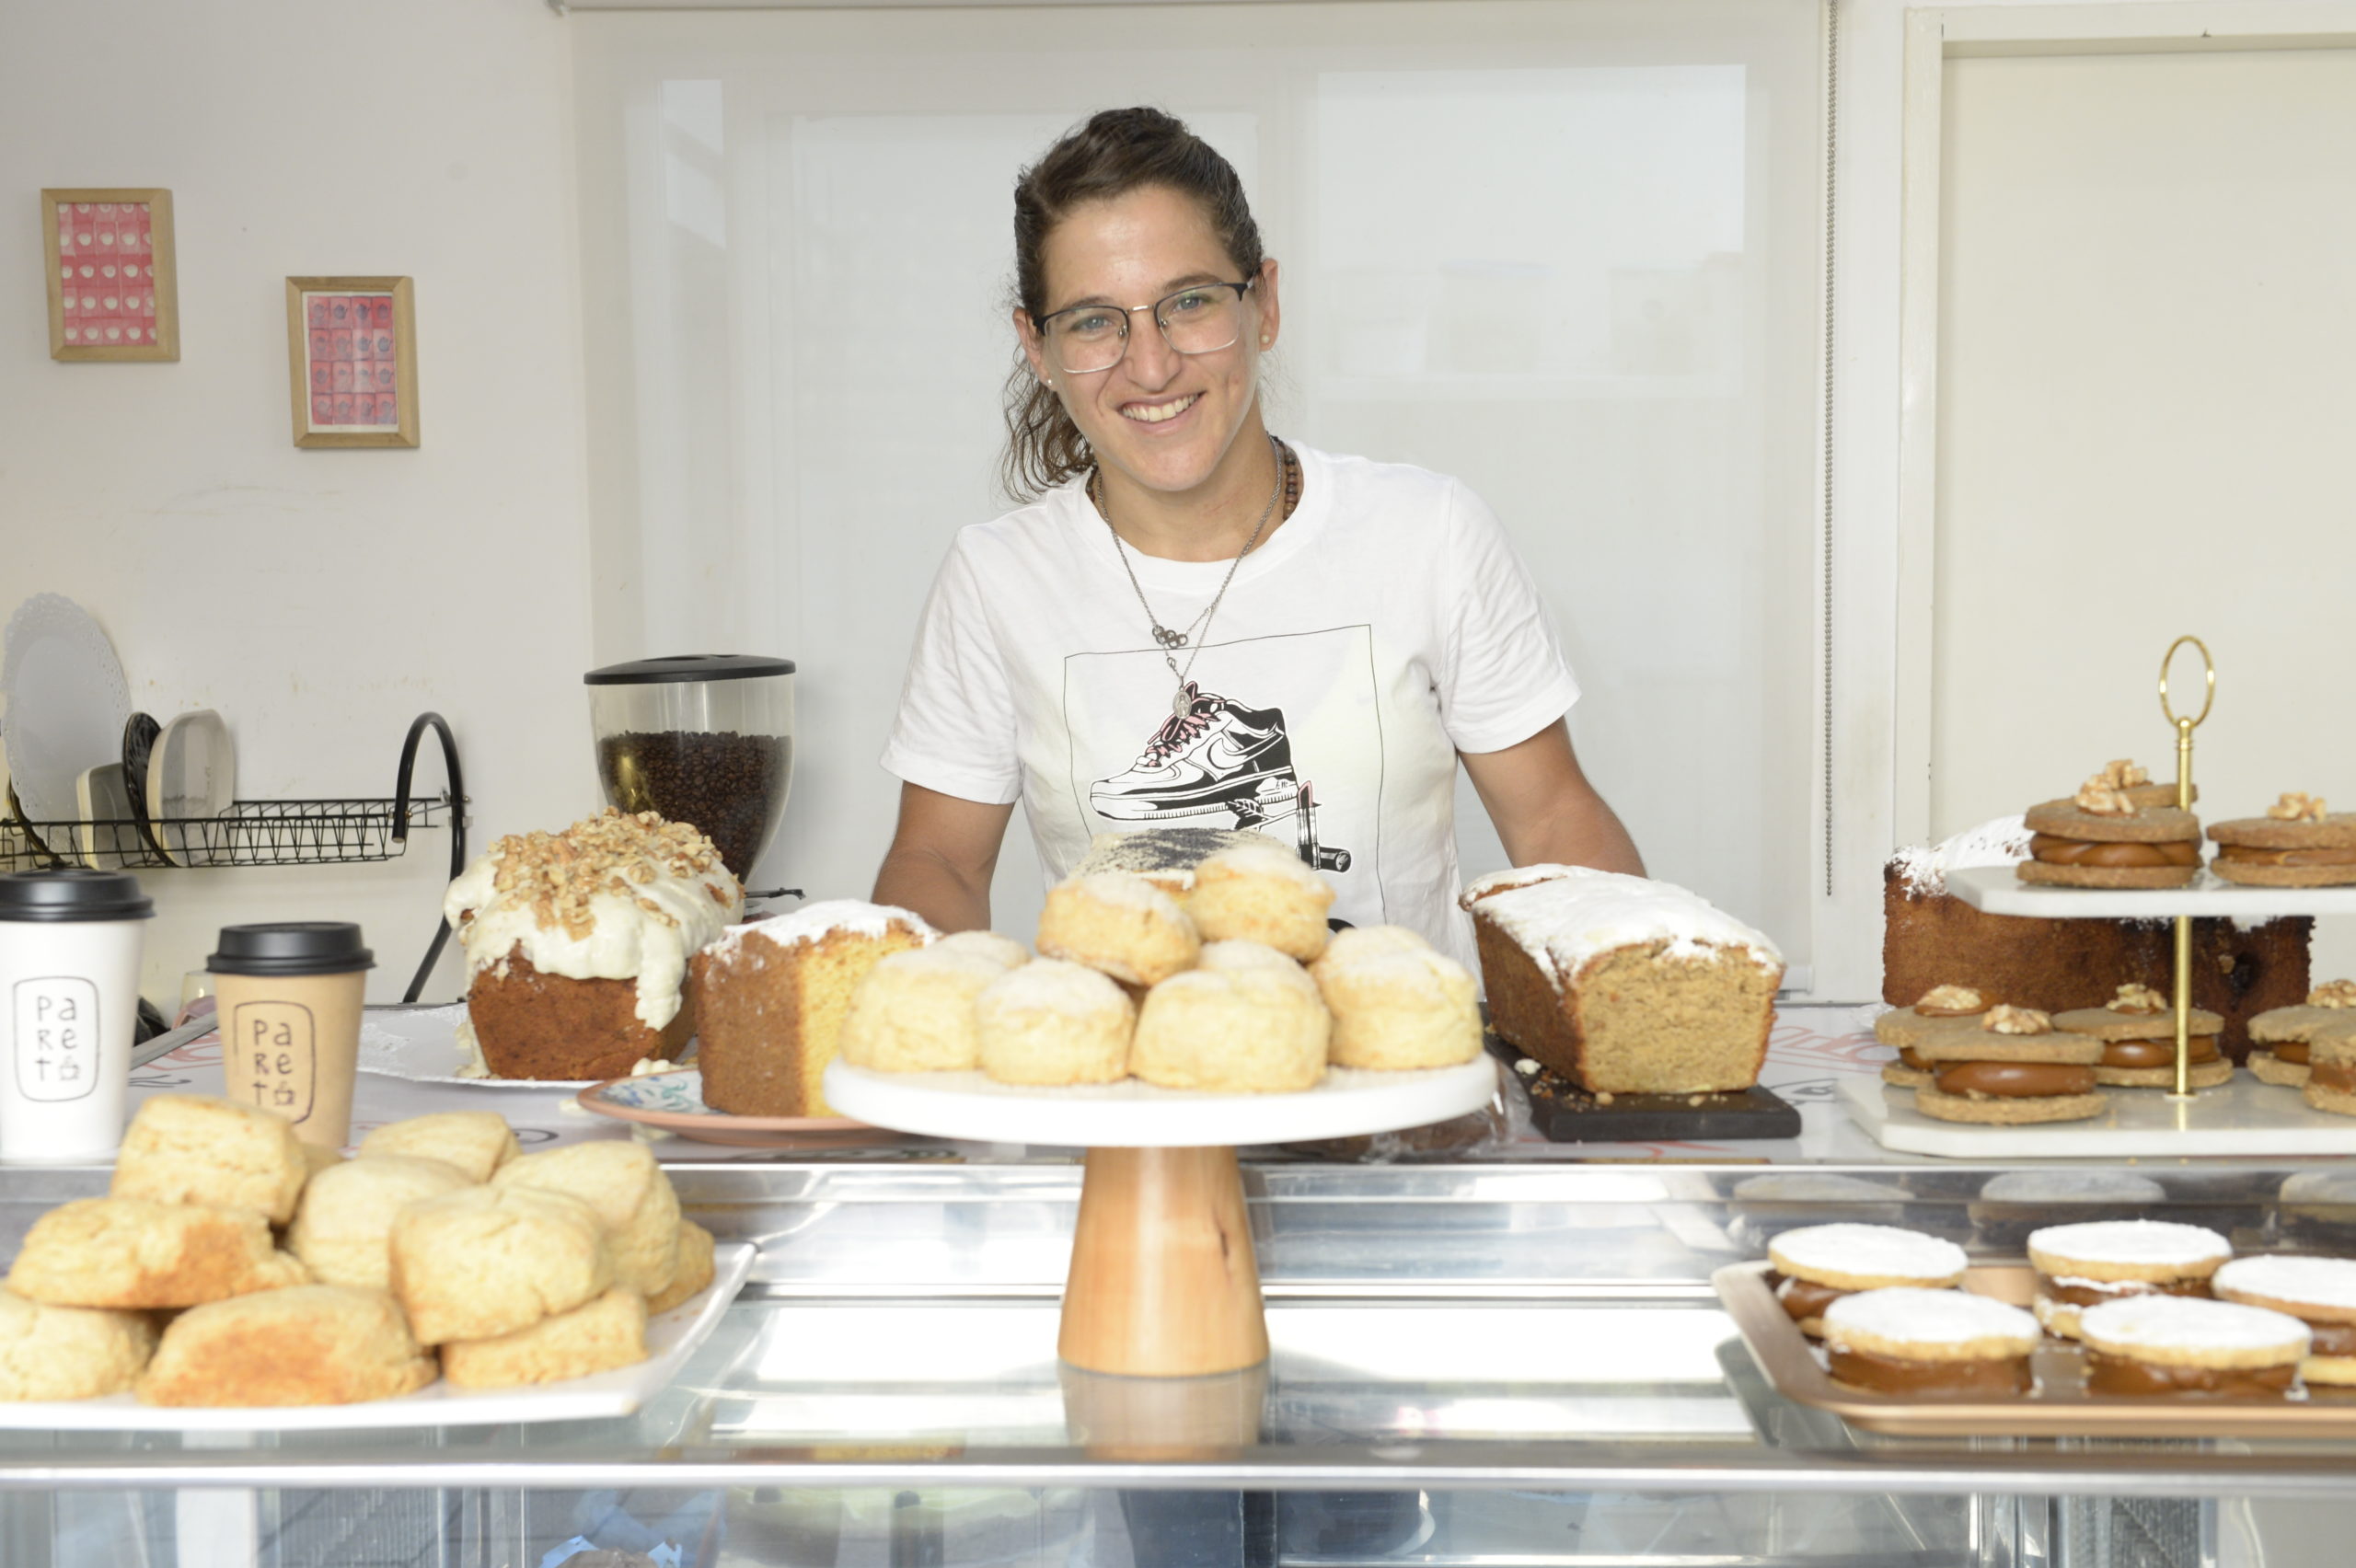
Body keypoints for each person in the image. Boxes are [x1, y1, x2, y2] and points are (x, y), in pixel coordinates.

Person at [875, 107, 1640, 963]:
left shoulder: (1427, 533)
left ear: (1264, 304)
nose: (1152, 364)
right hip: (1129, 1086)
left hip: (1401, 1079)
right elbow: (937, 855)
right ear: (1039, 348)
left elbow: (1550, 817)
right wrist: (914, 1011)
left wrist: (1638, 997)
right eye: (1095, 321)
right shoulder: (997, 577)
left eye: (1189, 302)